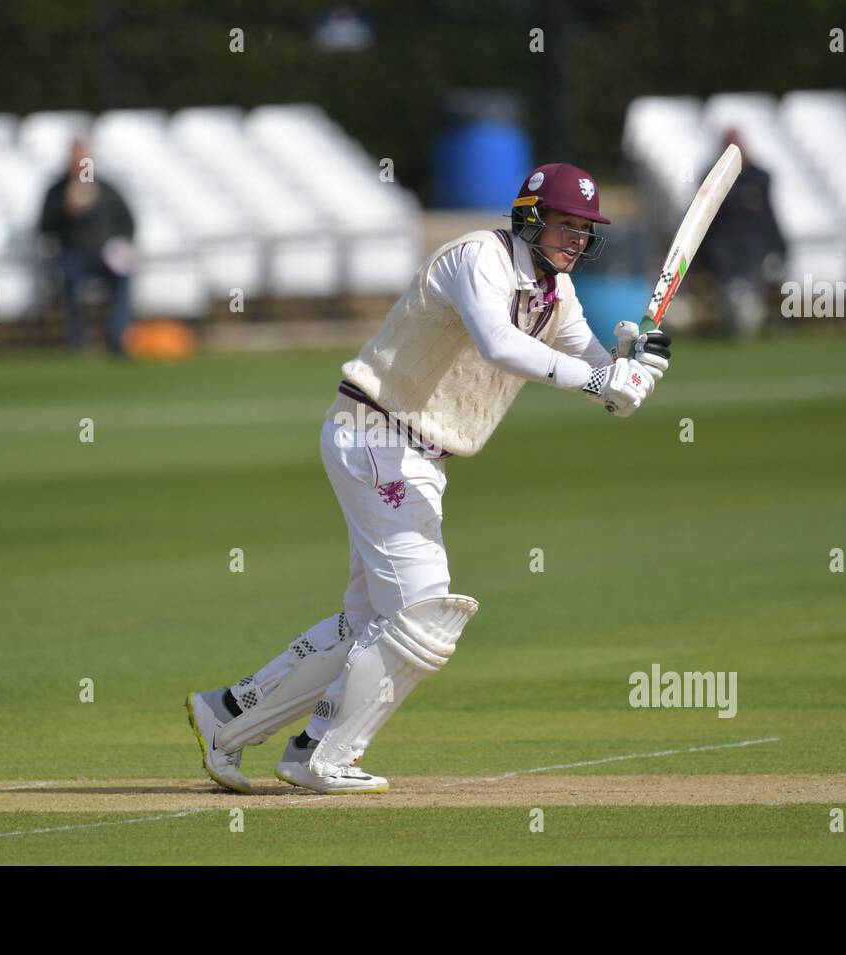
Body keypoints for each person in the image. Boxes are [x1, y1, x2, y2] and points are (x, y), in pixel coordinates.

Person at [186, 162, 671, 794]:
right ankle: (320, 753)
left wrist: (633, 371)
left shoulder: (559, 294)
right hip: (377, 432)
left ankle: (228, 714)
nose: (576, 241)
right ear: (531, 218)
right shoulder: (481, 258)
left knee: (371, 624)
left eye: (584, 231)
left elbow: (599, 374)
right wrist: (602, 379)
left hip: (417, 456)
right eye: (565, 226)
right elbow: (500, 344)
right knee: (423, 612)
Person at [38, 138, 137, 355]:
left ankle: (117, 336)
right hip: (72, 256)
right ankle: (78, 342)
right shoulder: (57, 191)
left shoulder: (107, 190)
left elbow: (128, 222)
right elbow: (44, 227)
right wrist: (67, 211)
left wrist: (121, 245)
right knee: (69, 278)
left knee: (124, 276)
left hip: (104, 256)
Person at [698, 130, 787, 338]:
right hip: (723, 246)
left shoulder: (759, 176)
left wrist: (779, 245)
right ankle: (737, 325)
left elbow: (767, 214)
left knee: (750, 288)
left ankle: (747, 326)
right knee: (732, 289)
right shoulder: (711, 177)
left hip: (752, 246)